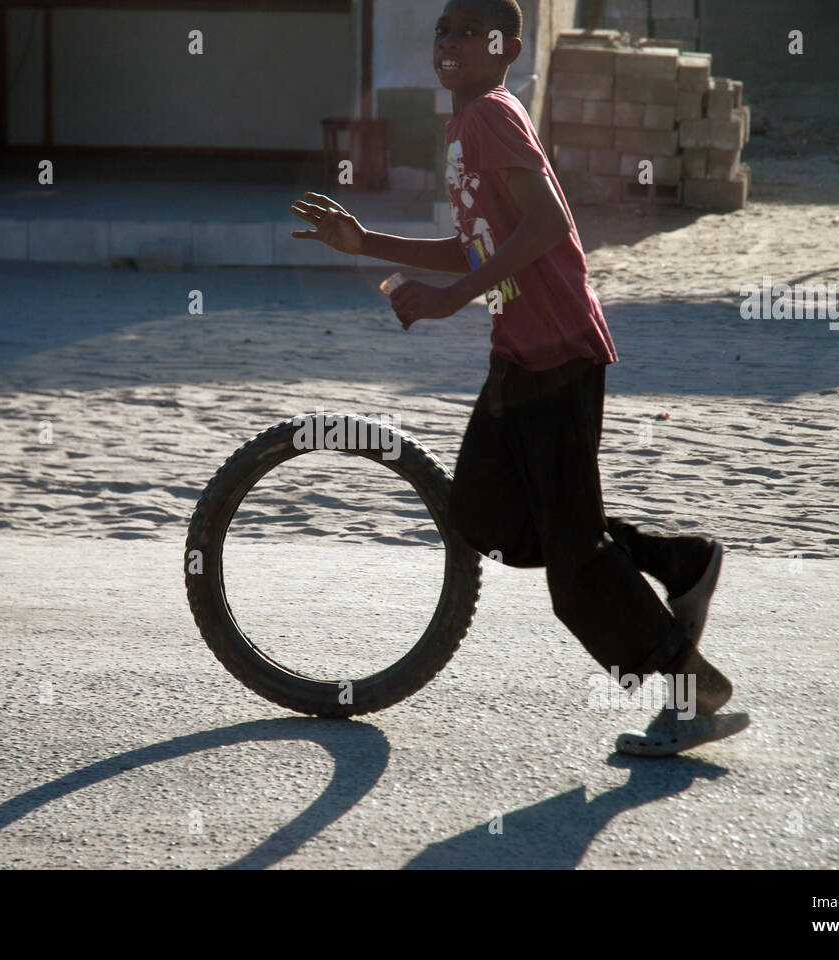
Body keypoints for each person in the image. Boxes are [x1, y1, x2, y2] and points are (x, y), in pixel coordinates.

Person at [290, 0, 748, 755]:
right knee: (488, 514)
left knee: (572, 573)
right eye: (442, 30)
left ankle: (693, 691)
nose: (450, 44)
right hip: (521, 354)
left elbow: (545, 227)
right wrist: (368, 241)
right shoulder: (470, 124)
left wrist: (448, 303)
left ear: (508, 46)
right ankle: (679, 562)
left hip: (558, 355)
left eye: (470, 33)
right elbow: (482, 243)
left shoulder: (491, 119)